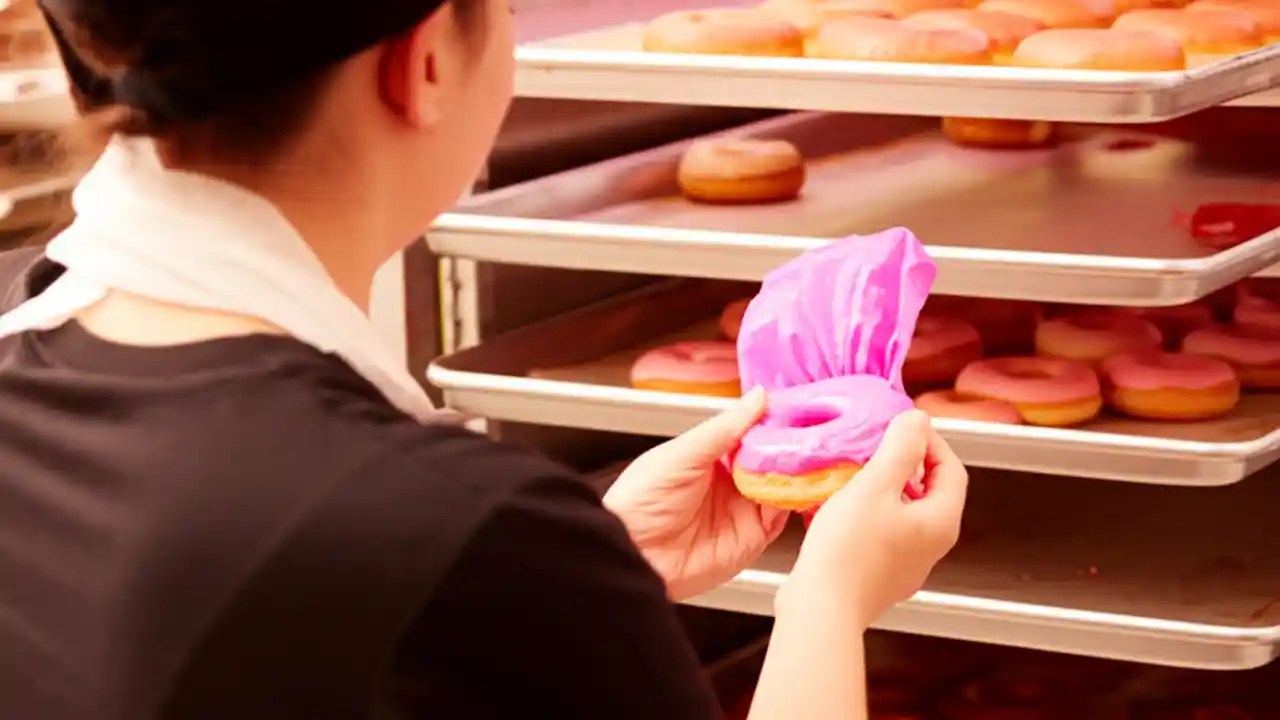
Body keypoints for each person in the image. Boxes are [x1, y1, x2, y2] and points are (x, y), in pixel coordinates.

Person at [0, 1, 967, 718]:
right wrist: (832, 596)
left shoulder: (25, 348)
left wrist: (589, 571)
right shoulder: (452, 526)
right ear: (421, 64)